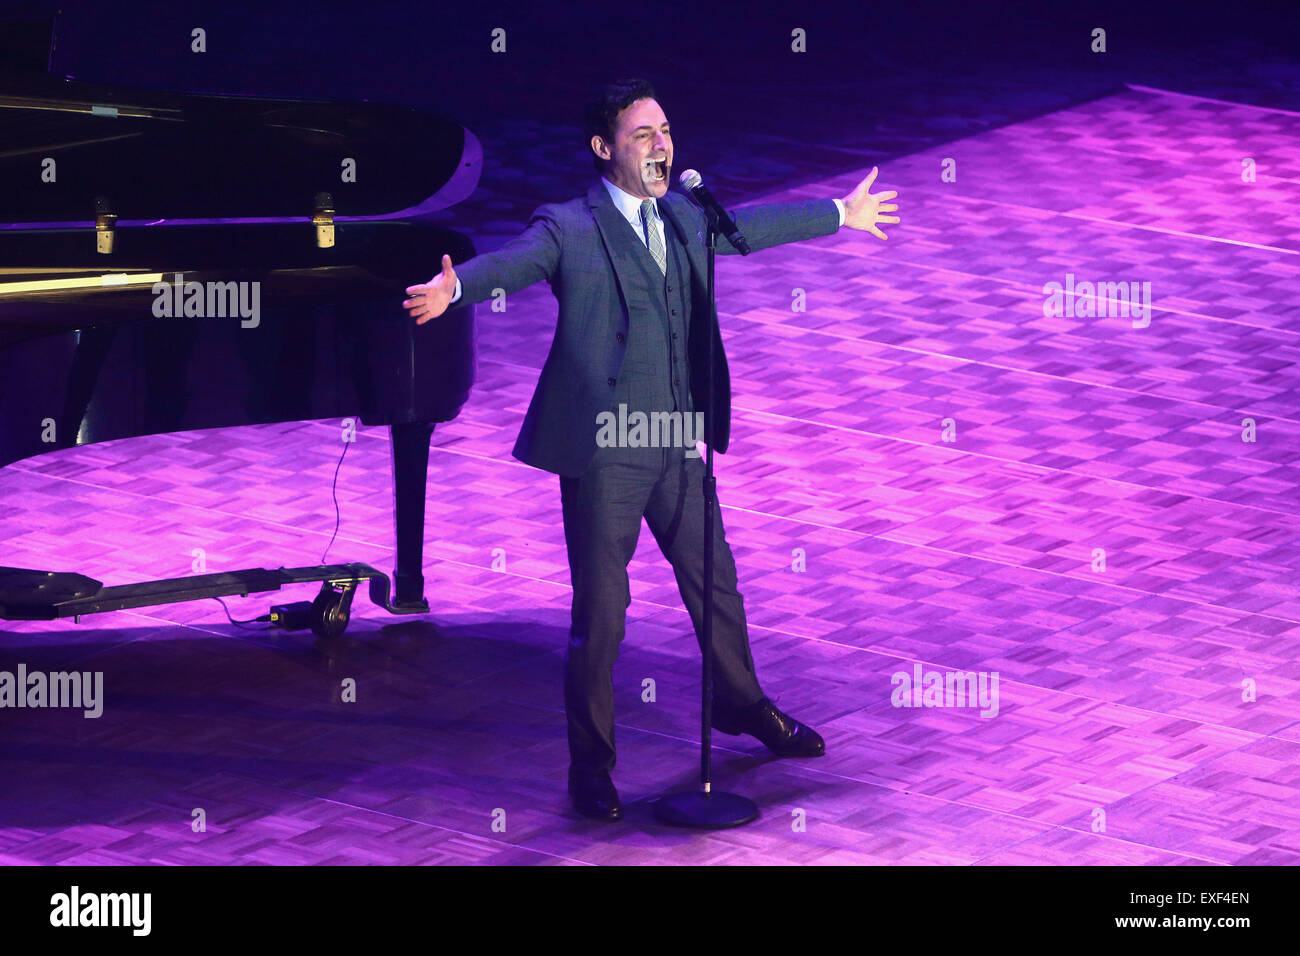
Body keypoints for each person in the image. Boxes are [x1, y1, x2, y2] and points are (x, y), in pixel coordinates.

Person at [404, 77, 900, 820]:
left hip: (678, 438)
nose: (661, 144)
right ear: (605, 148)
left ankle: (742, 704)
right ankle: (592, 766)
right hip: (607, 449)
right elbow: (514, 263)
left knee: (716, 584)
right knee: (603, 614)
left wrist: (840, 213)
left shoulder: (688, 213)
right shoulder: (569, 225)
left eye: (665, 130)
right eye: (643, 134)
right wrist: (458, 289)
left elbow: (751, 227)